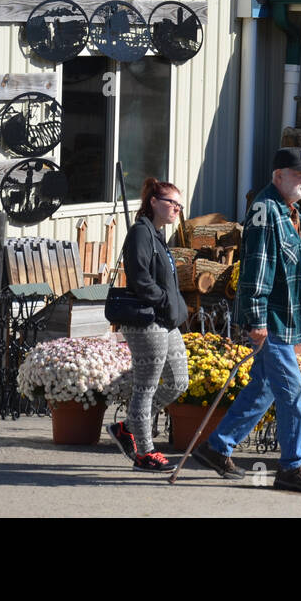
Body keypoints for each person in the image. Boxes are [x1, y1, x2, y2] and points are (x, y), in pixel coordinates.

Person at [191, 148, 301, 493]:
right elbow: (256, 269)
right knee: (291, 389)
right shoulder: (265, 210)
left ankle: (216, 447)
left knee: (265, 386)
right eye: (298, 173)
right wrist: (256, 319)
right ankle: (291, 467)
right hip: (269, 321)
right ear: (277, 175)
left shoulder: (290, 211)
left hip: (282, 319)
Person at [106, 178, 190, 473]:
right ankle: (145, 453)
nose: (177, 209)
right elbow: (140, 278)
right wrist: (165, 301)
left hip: (166, 320)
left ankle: (127, 427)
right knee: (146, 387)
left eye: (180, 205)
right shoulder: (141, 233)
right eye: (172, 203)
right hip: (147, 321)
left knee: (179, 382)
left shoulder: (156, 234)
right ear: (154, 202)